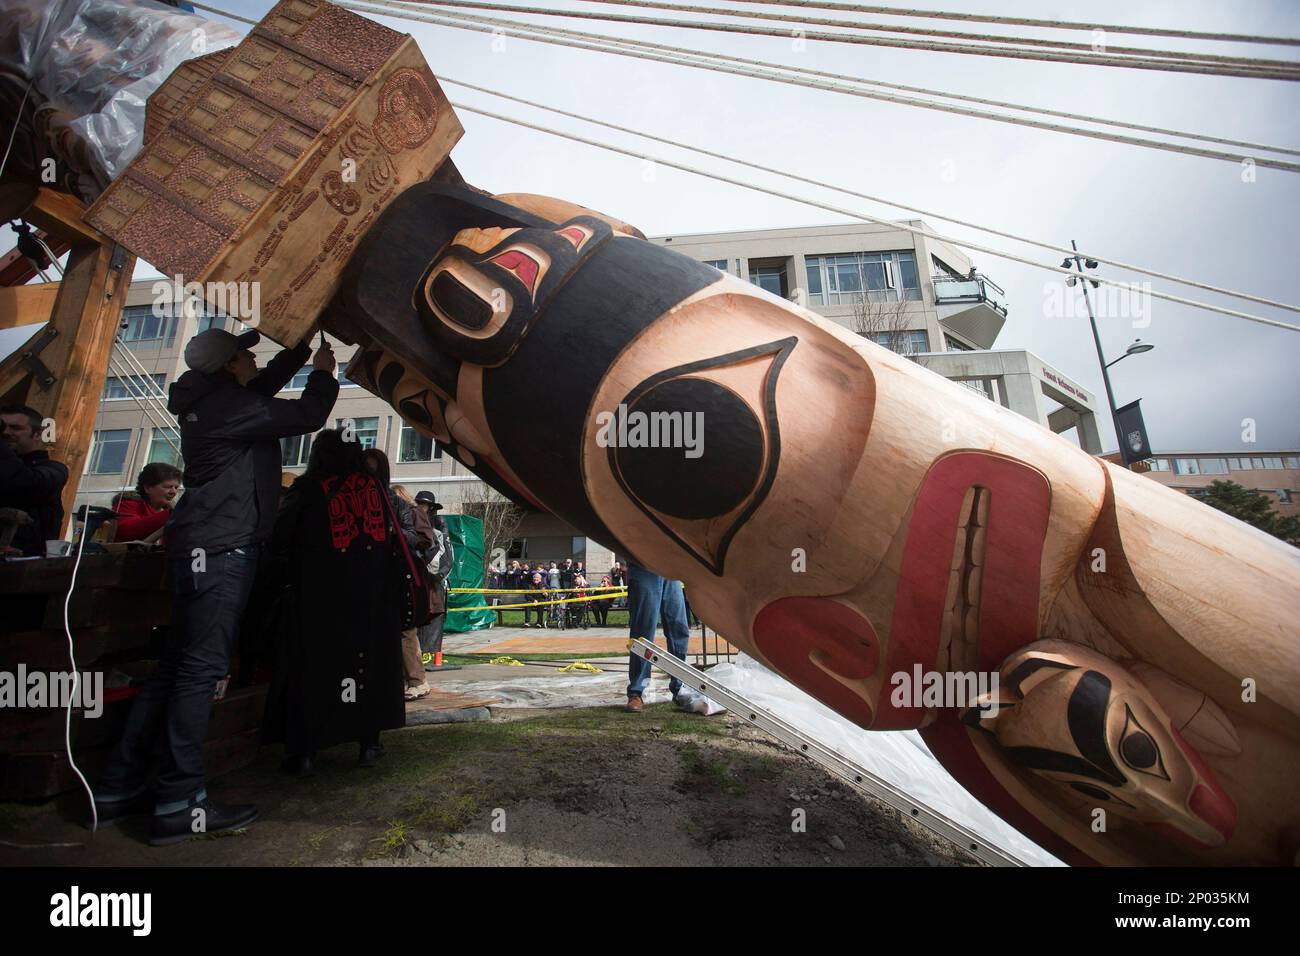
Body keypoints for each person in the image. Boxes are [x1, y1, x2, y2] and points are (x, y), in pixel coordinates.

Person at [94, 327, 337, 845]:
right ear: (229, 366)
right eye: (246, 354)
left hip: (199, 543)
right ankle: (180, 801)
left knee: (176, 668)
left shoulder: (211, 398)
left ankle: (119, 787)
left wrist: (296, 344)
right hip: (224, 546)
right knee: (200, 671)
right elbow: (308, 416)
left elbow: (265, 382)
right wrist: (321, 374)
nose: (254, 359)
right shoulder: (230, 408)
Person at [262, 429, 406, 776]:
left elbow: (280, 538)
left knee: (315, 671)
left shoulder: (310, 487)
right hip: (372, 599)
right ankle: (368, 744)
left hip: (320, 599)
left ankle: (305, 751)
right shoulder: (376, 490)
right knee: (366, 669)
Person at [365, 452, 432, 700]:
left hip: (398, 573)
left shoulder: (400, 508)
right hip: (371, 571)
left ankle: (416, 679)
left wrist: (392, 532)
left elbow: (422, 540)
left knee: (405, 628)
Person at [624, 563, 710, 715]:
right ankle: (636, 691)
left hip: (670, 570)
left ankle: (679, 688)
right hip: (643, 567)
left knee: (679, 629)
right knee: (643, 632)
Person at [0, 403, 68, 556]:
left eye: (15, 428)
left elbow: (25, 485)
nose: (5, 432)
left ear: (37, 434)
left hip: (25, 566)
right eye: (2, 427)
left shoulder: (54, 470)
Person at [414, 491, 453, 665]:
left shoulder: (435, 533)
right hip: (416, 586)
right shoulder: (412, 525)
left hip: (429, 586)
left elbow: (444, 561)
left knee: (422, 630)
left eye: (424, 506)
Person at [113, 462, 182, 543]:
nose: (173, 492)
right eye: (168, 487)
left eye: (176, 487)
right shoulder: (127, 504)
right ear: (148, 488)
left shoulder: (171, 512)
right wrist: (170, 514)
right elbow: (127, 531)